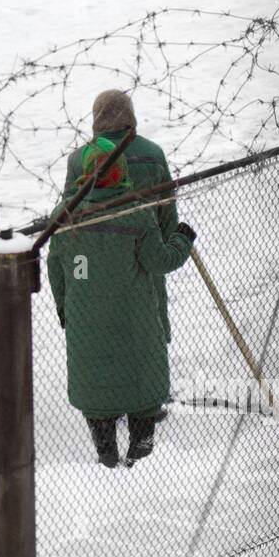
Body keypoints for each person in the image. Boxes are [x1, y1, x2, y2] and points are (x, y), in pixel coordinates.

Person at [47, 138, 196, 467]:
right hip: (134, 319)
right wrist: (182, 239)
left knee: (97, 389)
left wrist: (64, 306)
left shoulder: (66, 214)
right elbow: (159, 260)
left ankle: (106, 452)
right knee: (141, 388)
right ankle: (141, 453)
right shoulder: (136, 212)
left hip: (86, 320)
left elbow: (56, 266)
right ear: (120, 172)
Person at [63, 90, 180, 345]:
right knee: (149, 328)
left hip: (94, 262)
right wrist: (170, 246)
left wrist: (78, 273)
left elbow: (68, 222)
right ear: (131, 115)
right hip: (146, 254)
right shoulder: (153, 153)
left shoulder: (78, 159)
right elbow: (168, 214)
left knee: (101, 337)